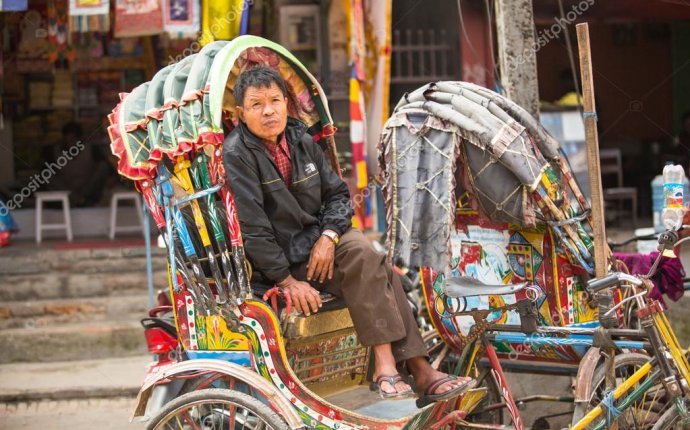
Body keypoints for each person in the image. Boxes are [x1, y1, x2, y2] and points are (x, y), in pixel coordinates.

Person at [222, 66, 474, 402]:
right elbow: (252, 230)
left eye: (275, 100)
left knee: (372, 259)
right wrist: (286, 281)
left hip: (323, 246)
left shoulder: (301, 139)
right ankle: (404, 368)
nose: (269, 111)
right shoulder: (237, 153)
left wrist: (328, 236)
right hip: (284, 263)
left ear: (286, 103)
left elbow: (339, 197)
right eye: (257, 105)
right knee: (372, 262)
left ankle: (404, 369)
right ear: (241, 113)